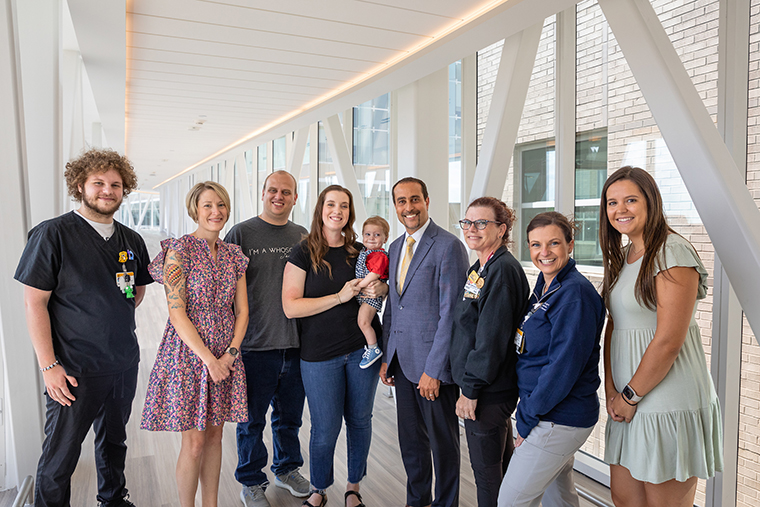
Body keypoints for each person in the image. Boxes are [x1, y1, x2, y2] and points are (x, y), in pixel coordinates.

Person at [14, 148, 152, 507]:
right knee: (61, 454)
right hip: (73, 368)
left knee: (114, 442)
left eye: (116, 184)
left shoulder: (131, 240)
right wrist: (49, 366)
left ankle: (113, 499)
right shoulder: (52, 234)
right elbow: (34, 303)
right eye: (99, 183)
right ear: (81, 186)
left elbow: (134, 294)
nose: (107, 190)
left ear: (125, 190)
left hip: (122, 363)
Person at [600, 167, 723, 507]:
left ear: (650, 202)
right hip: (627, 398)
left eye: (630, 200)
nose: (620, 210)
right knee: (625, 499)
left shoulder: (672, 251)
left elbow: (670, 339)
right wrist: (611, 388)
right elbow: (615, 324)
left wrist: (629, 395)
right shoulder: (624, 256)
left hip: (665, 398)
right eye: (612, 202)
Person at [140, 181, 250, 507]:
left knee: (216, 436)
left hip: (226, 354)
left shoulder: (234, 255)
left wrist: (229, 354)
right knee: (194, 443)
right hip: (188, 355)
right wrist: (209, 360)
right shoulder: (179, 250)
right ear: (195, 210)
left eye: (221, 205)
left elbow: (242, 311)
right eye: (208, 206)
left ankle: (211, 504)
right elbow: (177, 313)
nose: (215, 212)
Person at [282, 185, 387, 507]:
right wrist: (339, 297)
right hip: (319, 356)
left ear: (350, 212)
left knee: (360, 421)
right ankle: (319, 489)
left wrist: (380, 288)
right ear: (320, 209)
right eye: (331, 204)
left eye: (344, 205)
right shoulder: (302, 253)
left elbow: (382, 285)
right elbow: (291, 307)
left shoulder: (360, 251)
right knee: (325, 429)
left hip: (360, 350)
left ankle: (353, 487)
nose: (337, 211)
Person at [498, 211, 605, 507]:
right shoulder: (546, 286)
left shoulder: (574, 295)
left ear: (570, 245)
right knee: (559, 497)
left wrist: (525, 419)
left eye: (553, 243)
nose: (543, 253)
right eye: (535, 245)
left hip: (558, 418)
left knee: (511, 502)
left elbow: (562, 368)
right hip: (549, 411)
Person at [381, 177, 469, 507]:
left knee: (443, 445)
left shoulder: (447, 246)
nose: (408, 207)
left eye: (414, 199)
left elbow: (452, 315)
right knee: (412, 445)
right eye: (401, 201)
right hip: (402, 363)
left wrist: (434, 370)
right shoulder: (394, 247)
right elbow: (394, 304)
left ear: (427, 201)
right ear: (395, 206)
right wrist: (387, 356)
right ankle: (416, 502)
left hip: (433, 368)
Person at [224, 170, 310, 507]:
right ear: (262, 193)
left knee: (289, 419)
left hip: (296, 346)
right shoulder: (242, 233)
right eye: (273, 190)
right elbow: (224, 287)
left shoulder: (302, 235)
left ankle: (287, 469)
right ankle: (251, 480)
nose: (279, 196)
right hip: (254, 346)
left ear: (295, 198)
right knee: (251, 422)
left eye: (286, 192)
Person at [449, 197, 529, 507]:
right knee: (501, 467)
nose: (472, 229)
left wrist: (470, 390)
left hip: (487, 392)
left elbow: (491, 339)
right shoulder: (482, 266)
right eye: (467, 222)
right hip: (486, 389)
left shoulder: (503, 270)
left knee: (486, 475)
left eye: (482, 223)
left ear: (502, 229)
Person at [355, 215, 390, 369]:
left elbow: (374, 274)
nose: (371, 238)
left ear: (385, 238)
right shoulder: (365, 252)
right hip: (365, 294)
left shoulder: (379, 255)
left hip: (370, 294)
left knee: (363, 321)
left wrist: (359, 286)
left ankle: (373, 347)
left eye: (377, 235)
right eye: (367, 234)